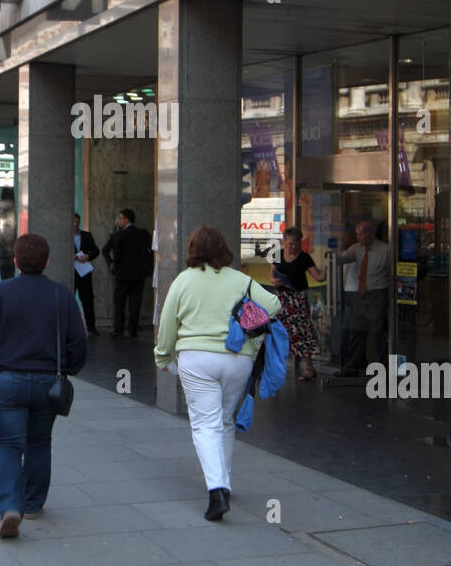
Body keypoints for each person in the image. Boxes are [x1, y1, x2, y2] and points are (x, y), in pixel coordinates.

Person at [154, 225, 281, 521]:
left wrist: (162, 355)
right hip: (238, 359)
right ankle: (225, 481)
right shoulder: (241, 279)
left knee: (204, 424)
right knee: (224, 420)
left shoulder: (183, 281)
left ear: (192, 249)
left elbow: (168, 323)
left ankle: (217, 490)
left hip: (196, 360)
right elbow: (273, 306)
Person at [0, 232, 87, 538]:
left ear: (17, 261)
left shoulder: (0, 292)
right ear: (47, 261)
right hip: (49, 381)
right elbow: (79, 342)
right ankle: (33, 504)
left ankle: (10, 505)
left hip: (8, 379)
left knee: (8, 444)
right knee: (39, 442)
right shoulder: (62, 295)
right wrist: (68, 369)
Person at [270, 226, 326, 381]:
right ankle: (277, 366)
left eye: (296, 243)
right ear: (284, 242)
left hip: (297, 299)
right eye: (290, 243)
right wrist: (274, 281)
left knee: (300, 332)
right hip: (282, 298)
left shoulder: (304, 258)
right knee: (279, 332)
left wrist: (327, 272)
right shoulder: (277, 255)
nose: (293, 247)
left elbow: (318, 277)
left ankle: (309, 367)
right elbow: (272, 274)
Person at [334, 220, 390, 376]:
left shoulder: (385, 250)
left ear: (371, 233)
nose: (358, 237)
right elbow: (343, 258)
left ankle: (382, 366)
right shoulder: (356, 249)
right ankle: (353, 365)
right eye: (357, 233)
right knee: (356, 329)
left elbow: (392, 272)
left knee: (378, 331)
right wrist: (332, 256)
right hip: (361, 294)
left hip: (377, 293)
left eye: (361, 233)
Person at [102, 208, 153, 338]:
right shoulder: (143, 234)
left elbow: (114, 253)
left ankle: (118, 329)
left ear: (126, 219)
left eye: (120, 218)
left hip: (122, 274)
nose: (119, 221)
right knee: (135, 303)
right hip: (138, 274)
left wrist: (113, 265)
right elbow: (150, 251)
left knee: (120, 302)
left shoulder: (119, 235)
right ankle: (133, 329)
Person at [73, 212, 100, 335]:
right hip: (71, 272)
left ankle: (91, 327)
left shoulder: (86, 235)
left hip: (84, 271)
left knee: (88, 299)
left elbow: (96, 250)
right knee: (69, 299)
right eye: (73, 222)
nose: (75, 224)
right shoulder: (64, 236)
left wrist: (88, 256)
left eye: (77, 222)